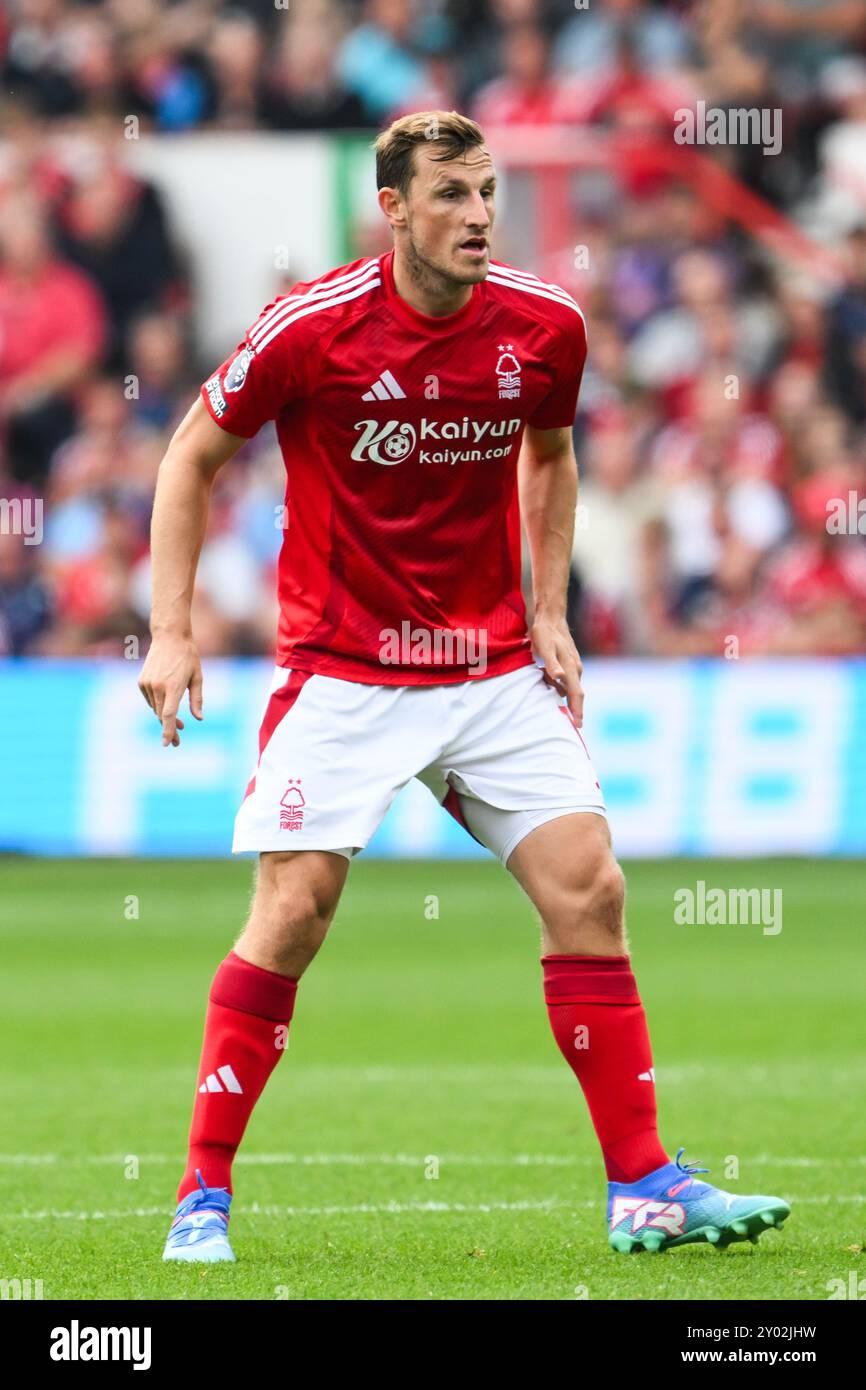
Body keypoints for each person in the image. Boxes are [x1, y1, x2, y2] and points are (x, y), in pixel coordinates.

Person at [138, 110, 790, 1263]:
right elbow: (191, 451)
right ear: (393, 209)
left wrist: (548, 613)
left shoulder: (544, 326)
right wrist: (170, 630)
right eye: (449, 193)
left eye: (485, 191)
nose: (478, 213)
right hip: (342, 669)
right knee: (292, 915)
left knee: (588, 891)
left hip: (487, 666)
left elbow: (549, 451)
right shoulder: (312, 328)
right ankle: (201, 1195)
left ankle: (642, 1183)